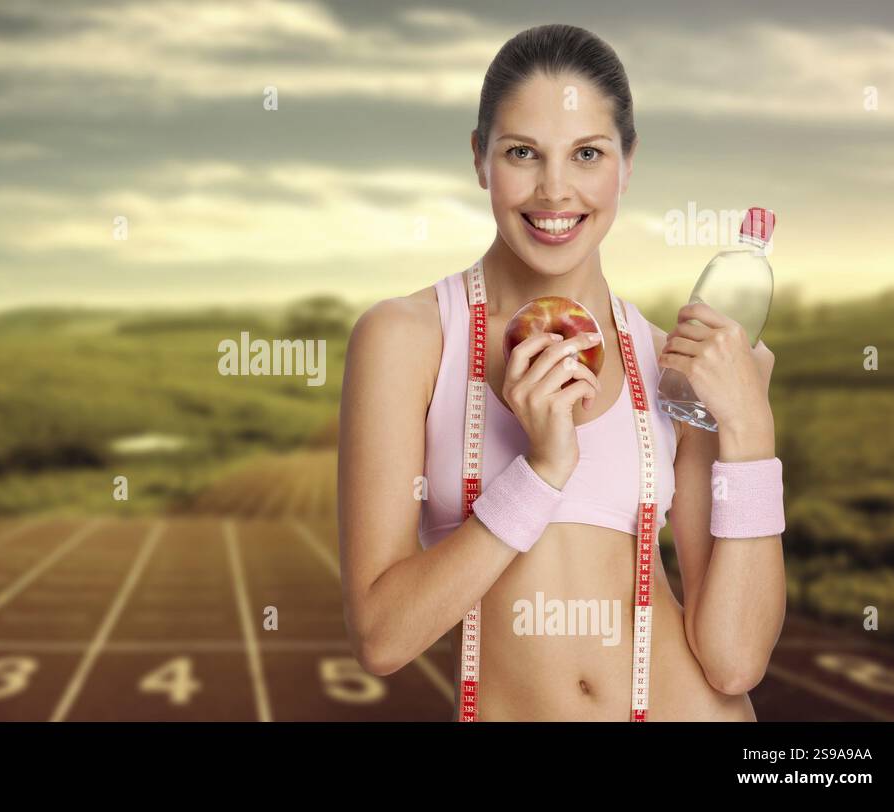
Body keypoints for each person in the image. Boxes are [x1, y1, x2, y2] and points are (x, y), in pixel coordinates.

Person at [337, 23, 786, 721]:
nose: (555, 191)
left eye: (587, 154)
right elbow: (383, 636)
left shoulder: (673, 368)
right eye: (523, 153)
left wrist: (752, 428)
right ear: (480, 158)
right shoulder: (408, 338)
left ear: (626, 165)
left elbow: (734, 660)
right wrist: (541, 471)